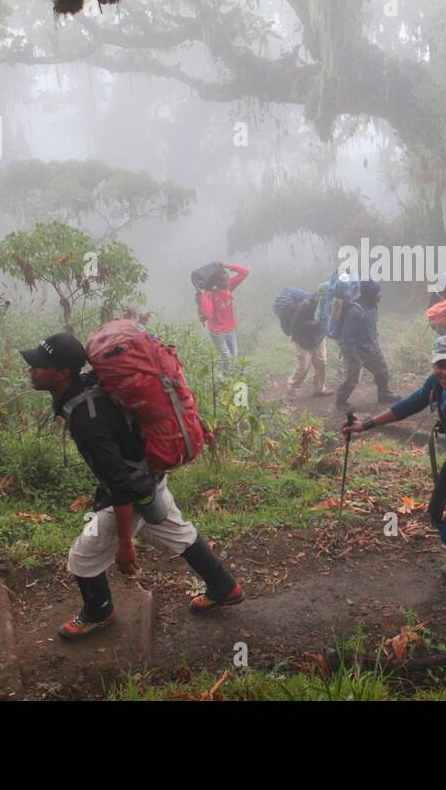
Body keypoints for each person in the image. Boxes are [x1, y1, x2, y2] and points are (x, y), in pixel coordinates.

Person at [22, 332, 243, 640]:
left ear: (63, 373)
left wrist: (125, 545)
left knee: (82, 558)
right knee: (175, 530)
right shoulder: (87, 384)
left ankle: (99, 613)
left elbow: (120, 486)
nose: (32, 370)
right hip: (150, 473)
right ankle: (224, 586)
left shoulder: (87, 421)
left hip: (130, 491)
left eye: (40, 366)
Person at [343, 335, 446, 603]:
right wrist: (366, 424)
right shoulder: (439, 384)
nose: (445, 371)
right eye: (440, 365)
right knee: (438, 511)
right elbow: (411, 403)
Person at [334, 279, 396, 410]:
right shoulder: (355, 311)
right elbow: (347, 337)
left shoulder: (373, 305)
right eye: (377, 292)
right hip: (356, 351)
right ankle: (340, 401)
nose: (380, 294)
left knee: (382, 371)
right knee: (351, 379)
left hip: (372, 348)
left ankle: (383, 394)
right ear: (369, 294)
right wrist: (354, 357)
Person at [197, 262, 248, 379]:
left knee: (233, 355)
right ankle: (223, 378)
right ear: (215, 282)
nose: (226, 282)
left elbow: (245, 272)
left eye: (227, 279)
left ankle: (225, 374)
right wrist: (203, 295)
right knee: (226, 355)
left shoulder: (229, 287)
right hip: (217, 331)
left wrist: (225, 265)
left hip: (230, 329)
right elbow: (208, 314)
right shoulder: (210, 294)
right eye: (223, 281)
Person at [286, 290, 331, 399]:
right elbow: (294, 326)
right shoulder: (304, 306)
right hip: (302, 340)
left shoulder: (329, 304)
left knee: (321, 363)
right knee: (303, 367)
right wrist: (312, 324)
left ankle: (319, 388)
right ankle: (291, 389)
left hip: (318, 338)